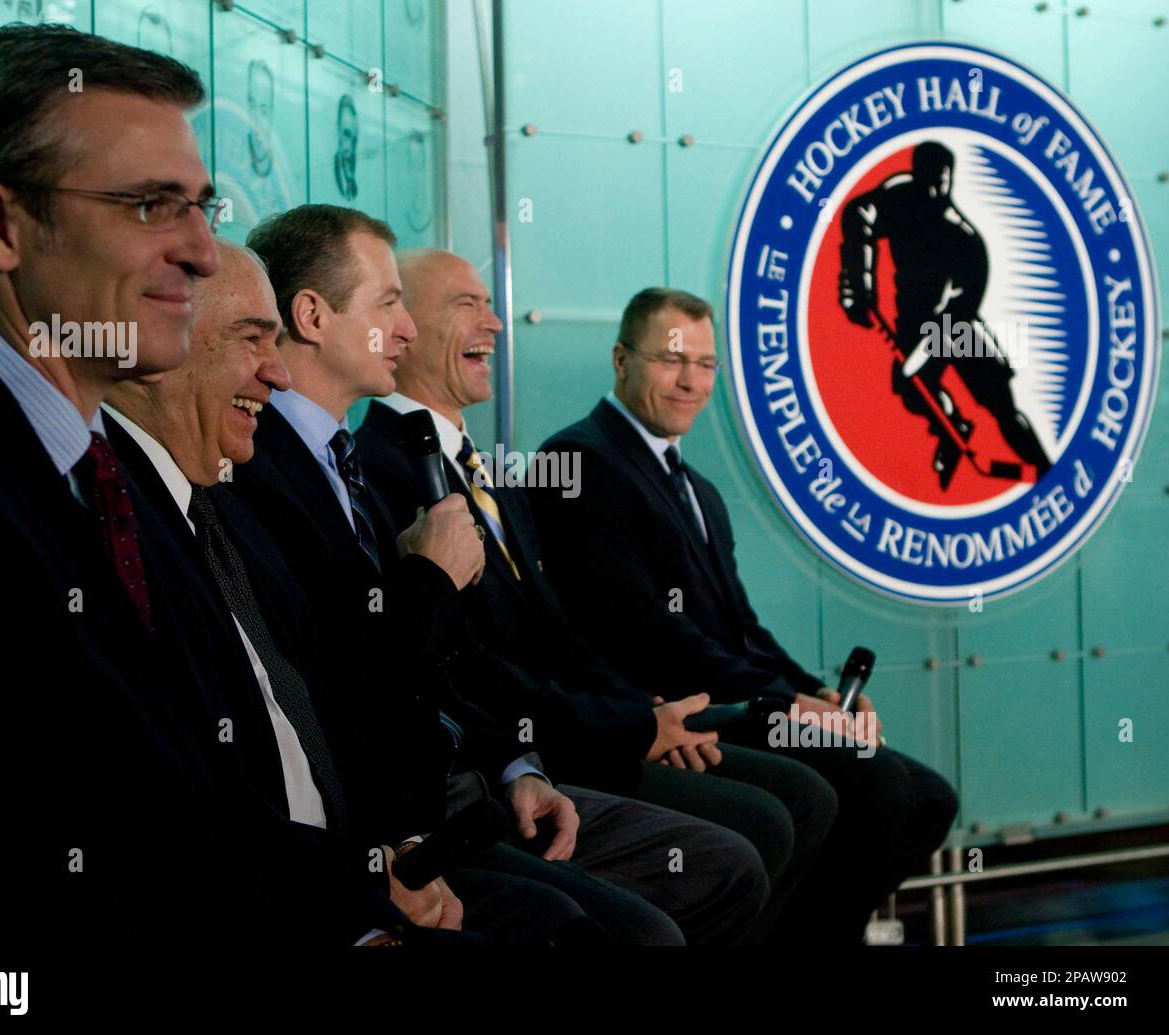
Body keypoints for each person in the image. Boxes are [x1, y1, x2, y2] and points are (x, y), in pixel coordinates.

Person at [0, 24, 449, 973]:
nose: (198, 248)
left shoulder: (113, 474)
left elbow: (189, 796)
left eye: (199, 205)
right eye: (150, 205)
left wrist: (359, 884)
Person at [234, 204, 768, 945]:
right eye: (393, 303)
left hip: (483, 780)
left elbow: (486, 652)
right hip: (405, 820)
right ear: (314, 315)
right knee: (656, 905)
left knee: (727, 858)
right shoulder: (275, 470)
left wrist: (521, 763)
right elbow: (362, 677)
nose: (409, 328)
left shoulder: (349, 464)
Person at [102, 238, 599, 943]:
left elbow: (343, 680)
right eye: (391, 302)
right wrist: (361, 891)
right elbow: (345, 684)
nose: (274, 373)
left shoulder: (219, 484)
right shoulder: (191, 492)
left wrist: (514, 759)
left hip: (404, 832)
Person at [353, 247, 847, 943]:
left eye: (706, 364)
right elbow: (458, 664)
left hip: (567, 735)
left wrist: (641, 711)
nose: (495, 323)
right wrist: (632, 724)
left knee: (792, 809)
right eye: (468, 305)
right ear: (401, 326)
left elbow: (562, 632)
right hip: (520, 759)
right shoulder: (376, 469)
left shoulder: (491, 469)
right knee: (768, 822)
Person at [534, 285, 961, 942]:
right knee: (875, 787)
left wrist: (817, 694)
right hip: (684, 710)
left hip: (742, 697)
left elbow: (741, 625)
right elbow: (643, 631)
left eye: (705, 365)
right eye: (672, 360)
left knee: (930, 796)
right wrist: (781, 699)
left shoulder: (697, 488)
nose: (690, 381)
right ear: (621, 359)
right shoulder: (582, 461)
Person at [839, 140, 1051, 487]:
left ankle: (1045, 468)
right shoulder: (900, 199)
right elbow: (858, 216)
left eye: (942, 180)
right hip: (912, 321)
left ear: (951, 178)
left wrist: (919, 357)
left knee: (1000, 404)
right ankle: (954, 428)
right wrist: (858, 286)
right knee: (910, 388)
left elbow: (954, 316)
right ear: (917, 173)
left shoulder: (965, 240)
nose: (935, 189)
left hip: (959, 329)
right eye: (927, 179)